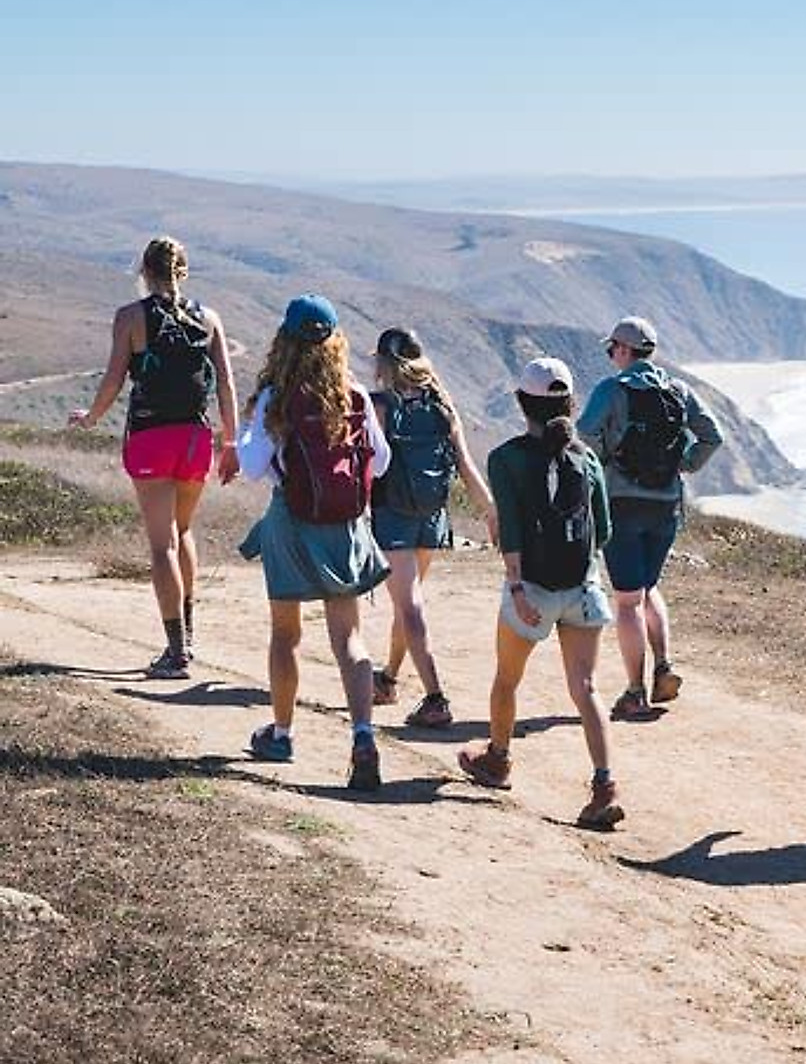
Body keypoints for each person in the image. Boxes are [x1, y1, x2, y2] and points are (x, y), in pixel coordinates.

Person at [458, 357, 625, 830]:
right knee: (586, 689)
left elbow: (509, 531)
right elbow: (604, 532)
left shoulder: (506, 458)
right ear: (570, 403)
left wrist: (517, 586)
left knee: (507, 679)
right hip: (583, 589)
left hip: (530, 590)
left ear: (520, 403)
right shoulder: (586, 459)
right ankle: (604, 785)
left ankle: (498, 759)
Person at [236, 294, 391, 791]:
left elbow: (254, 467)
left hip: (291, 523)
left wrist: (241, 436)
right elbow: (380, 463)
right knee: (349, 637)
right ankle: (363, 735)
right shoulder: (356, 396)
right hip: (345, 526)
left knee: (287, 635)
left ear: (285, 340)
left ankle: (281, 734)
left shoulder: (274, 400)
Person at [69, 236, 240, 679]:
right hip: (195, 439)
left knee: (161, 542)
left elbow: (113, 380)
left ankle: (175, 652)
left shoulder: (130, 317)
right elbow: (225, 385)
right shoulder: (209, 317)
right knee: (182, 532)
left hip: (150, 436)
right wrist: (231, 442)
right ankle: (188, 636)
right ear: (183, 270)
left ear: (144, 270)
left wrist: (90, 417)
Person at [577, 316, 723, 720]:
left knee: (626, 601)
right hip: (666, 504)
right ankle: (664, 666)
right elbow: (713, 435)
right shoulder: (678, 390)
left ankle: (635, 691)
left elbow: (583, 435)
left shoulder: (612, 389)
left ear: (624, 350)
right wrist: (685, 464)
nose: (611, 356)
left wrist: (606, 463)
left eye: (612, 349)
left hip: (622, 503)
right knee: (649, 586)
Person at [369, 327, 497, 727]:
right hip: (432, 517)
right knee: (409, 604)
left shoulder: (380, 406)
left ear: (385, 363)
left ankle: (435, 697)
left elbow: (364, 465)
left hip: (392, 515)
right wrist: (491, 512)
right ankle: (388, 679)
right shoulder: (442, 405)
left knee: (409, 606)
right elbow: (465, 466)